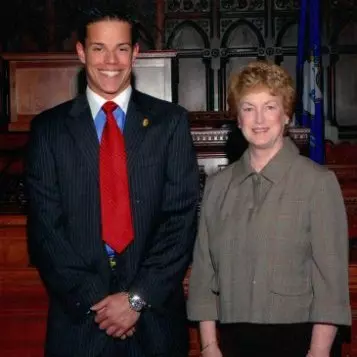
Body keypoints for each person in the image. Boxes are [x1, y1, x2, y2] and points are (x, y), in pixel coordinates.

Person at [25, 5, 200, 357]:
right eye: (98, 48)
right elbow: (46, 231)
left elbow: (180, 221)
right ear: (80, 52)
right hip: (79, 324)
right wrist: (99, 303)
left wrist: (136, 300)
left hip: (155, 324)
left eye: (121, 48)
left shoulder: (170, 123)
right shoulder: (48, 130)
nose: (111, 60)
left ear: (135, 53)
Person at [187, 61, 351, 357]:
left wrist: (318, 351)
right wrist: (209, 346)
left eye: (270, 107)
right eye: (248, 108)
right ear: (238, 118)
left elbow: (331, 284)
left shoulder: (318, 183)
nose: (259, 119)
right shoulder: (217, 186)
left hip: (300, 342)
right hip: (232, 343)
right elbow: (203, 275)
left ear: (286, 114)